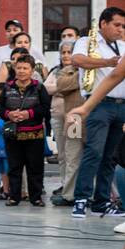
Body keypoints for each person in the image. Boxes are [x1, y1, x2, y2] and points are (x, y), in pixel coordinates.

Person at [68, 7, 125, 218]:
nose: (120, 29)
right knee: (94, 151)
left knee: (112, 156)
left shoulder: (123, 44)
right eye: (116, 25)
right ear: (103, 23)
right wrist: (108, 63)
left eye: (123, 26)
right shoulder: (87, 41)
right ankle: (81, 199)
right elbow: (78, 60)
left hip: (123, 105)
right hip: (100, 105)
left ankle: (102, 202)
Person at [0, 54, 50, 206]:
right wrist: (9, 114)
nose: (21, 71)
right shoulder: (7, 87)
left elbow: (45, 108)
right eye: (19, 68)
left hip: (35, 134)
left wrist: (29, 113)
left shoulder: (39, 87)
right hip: (12, 134)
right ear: (14, 69)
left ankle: (36, 197)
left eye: (25, 68)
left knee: (35, 167)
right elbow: (0, 107)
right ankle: (14, 197)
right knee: (14, 167)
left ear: (32, 70)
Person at [48, 41, 83, 206]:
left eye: (71, 52)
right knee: (71, 155)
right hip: (74, 119)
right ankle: (69, 194)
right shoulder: (64, 71)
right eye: (65, 52)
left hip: (89, 117)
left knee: (93, 156)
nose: (68, 56)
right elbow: (62, 85)